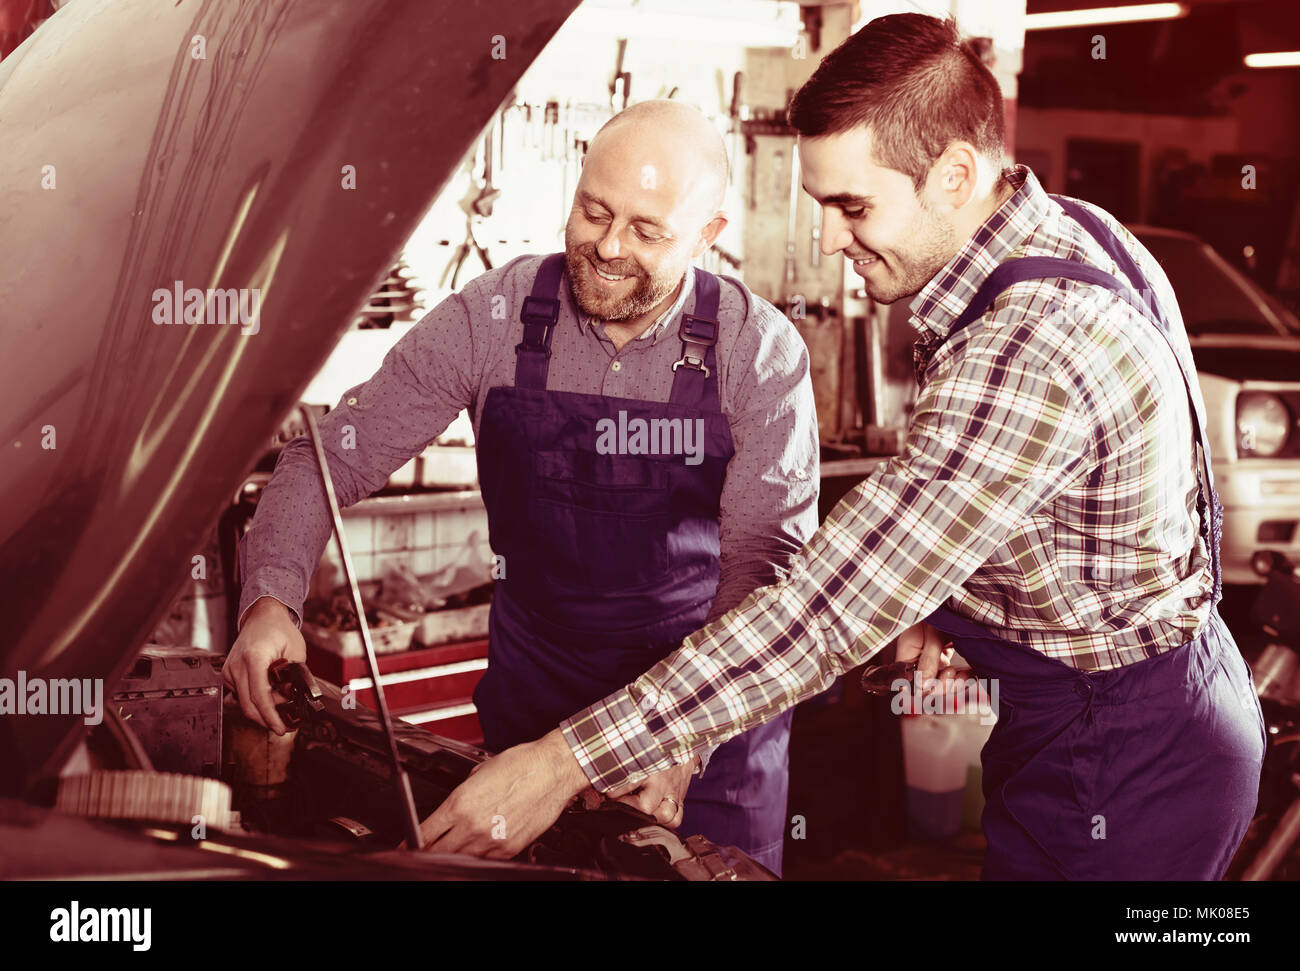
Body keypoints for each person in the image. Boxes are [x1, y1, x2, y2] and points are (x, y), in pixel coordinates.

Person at [418, 13, 1267, 880]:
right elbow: (1075, 512)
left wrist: (559, 763)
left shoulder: (1034, 343)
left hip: (1126, 763)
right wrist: (954, 601)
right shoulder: (1074, 232)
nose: (828, 239)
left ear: (957, 175)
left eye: (853, 206)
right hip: (1128, 707)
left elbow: (820, 614)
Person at [224, 99, 819, 876]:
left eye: (646, 230)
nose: (606, 247)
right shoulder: (494, 318)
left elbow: (766, 573)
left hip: (702, 750)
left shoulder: (759, 352)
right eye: (593, 210)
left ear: (708, 235)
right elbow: (324, 460)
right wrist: (270, 600)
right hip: (533, 706)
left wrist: (685, 737)